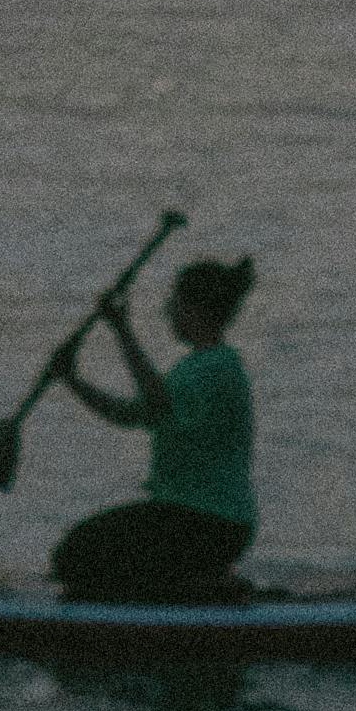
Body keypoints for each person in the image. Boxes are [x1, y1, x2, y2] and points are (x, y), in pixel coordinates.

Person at [46, 255, 260, 601]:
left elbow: (157, 401)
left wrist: (122, 330)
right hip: (197, 519)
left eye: (174, 303)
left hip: (208, 522)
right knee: (74, 557)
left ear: (195, 310)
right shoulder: (192, 368)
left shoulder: (218, 367)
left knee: (75, 557)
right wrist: (72, 380)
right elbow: (129, 414)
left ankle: (204, 586)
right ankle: (201, 579)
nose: (167, 312)